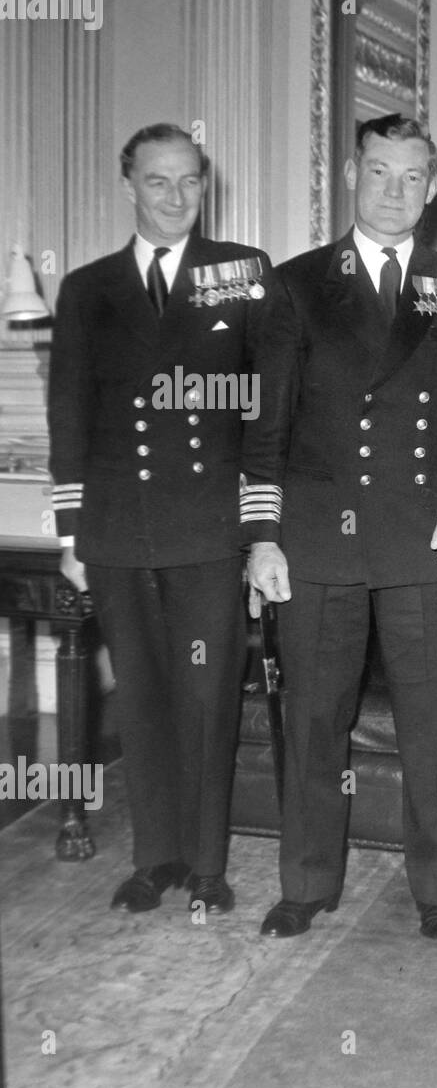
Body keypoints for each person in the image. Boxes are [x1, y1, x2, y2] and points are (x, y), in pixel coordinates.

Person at [243, 114, 437, 941]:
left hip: (423, 539)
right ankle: (307, 881)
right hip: (317, 539)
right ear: (352, 173)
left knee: (432, 721)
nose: (395, 190)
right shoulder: (297, 283)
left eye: (412, 176)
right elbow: (265, 429)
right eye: (380, 171)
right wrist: (263, 538)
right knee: (314, 718)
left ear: (434, 187)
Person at [49, 123, 269, 915]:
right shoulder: (87, 287)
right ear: (129, 185)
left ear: (204, 184)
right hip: (115, 527)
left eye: (189, 181)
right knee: (139, 693)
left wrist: (259, 523)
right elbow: (67, 409)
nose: (176, 197)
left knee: (209, 694)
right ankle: (157, 857)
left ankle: (208, 865)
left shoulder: (241, 276)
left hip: (207, 527)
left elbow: (265, 408)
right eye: (157, 182)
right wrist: (73, 530)